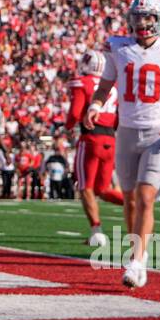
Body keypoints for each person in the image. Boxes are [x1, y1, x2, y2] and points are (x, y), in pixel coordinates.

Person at [85, 0, 160, 289]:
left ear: (159, 19)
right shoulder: (119, 47)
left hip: (158, 133)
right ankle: (136, 255)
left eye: (148, 17)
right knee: (129, 199)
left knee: (146, 197)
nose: (142, 23)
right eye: (137, 17)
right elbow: (105, 85)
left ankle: (137, 260)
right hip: (127, 131)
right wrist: (94, 106)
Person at [65, 51, 122, 246]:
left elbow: (74, 113)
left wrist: (67, 127)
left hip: (90, 138)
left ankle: (96, 232)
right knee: (103, 189)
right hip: (110, 139)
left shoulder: (83, 82)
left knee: (85, 187)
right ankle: (134, 203)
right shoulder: (113, 84)